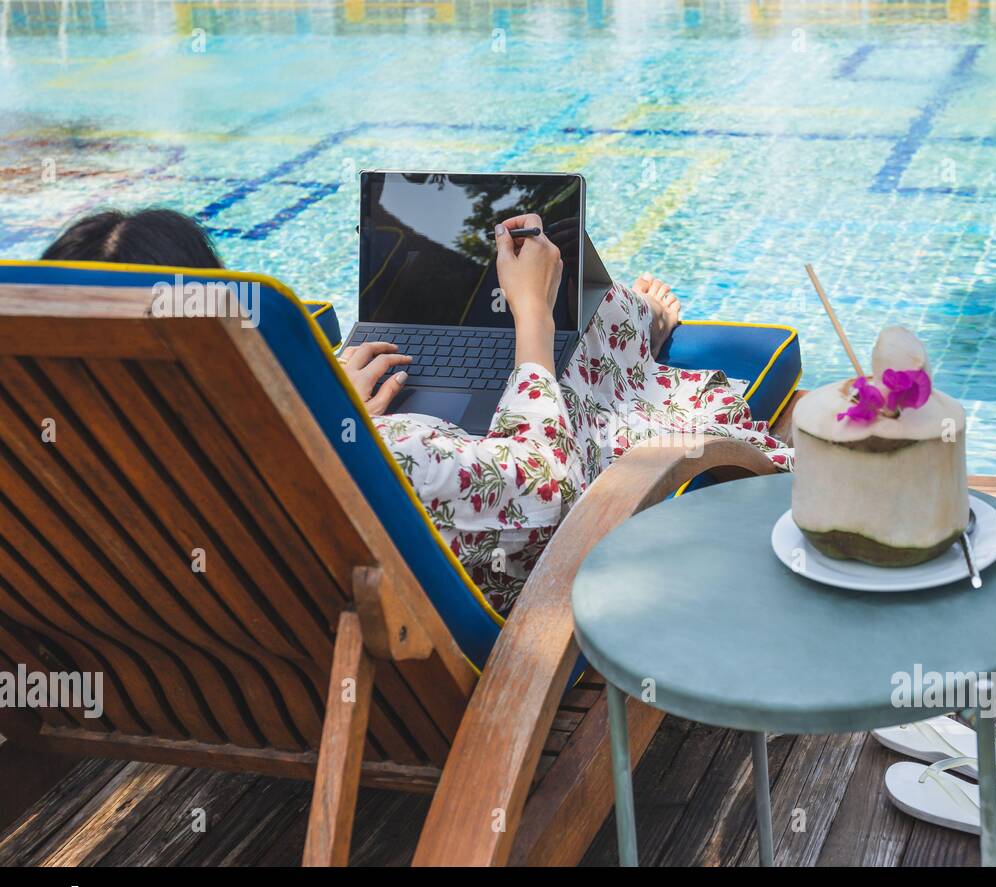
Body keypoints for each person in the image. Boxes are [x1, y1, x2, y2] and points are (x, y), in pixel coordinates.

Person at [42, 208, 792, 614]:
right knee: (582, 336)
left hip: (232, 626)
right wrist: (529, 312)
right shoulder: (365, 459)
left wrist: (314, 402)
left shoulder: (54, 477)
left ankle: (631, 329)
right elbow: (545, 487)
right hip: (476, 561)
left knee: (597, 330)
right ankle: (636, 332)